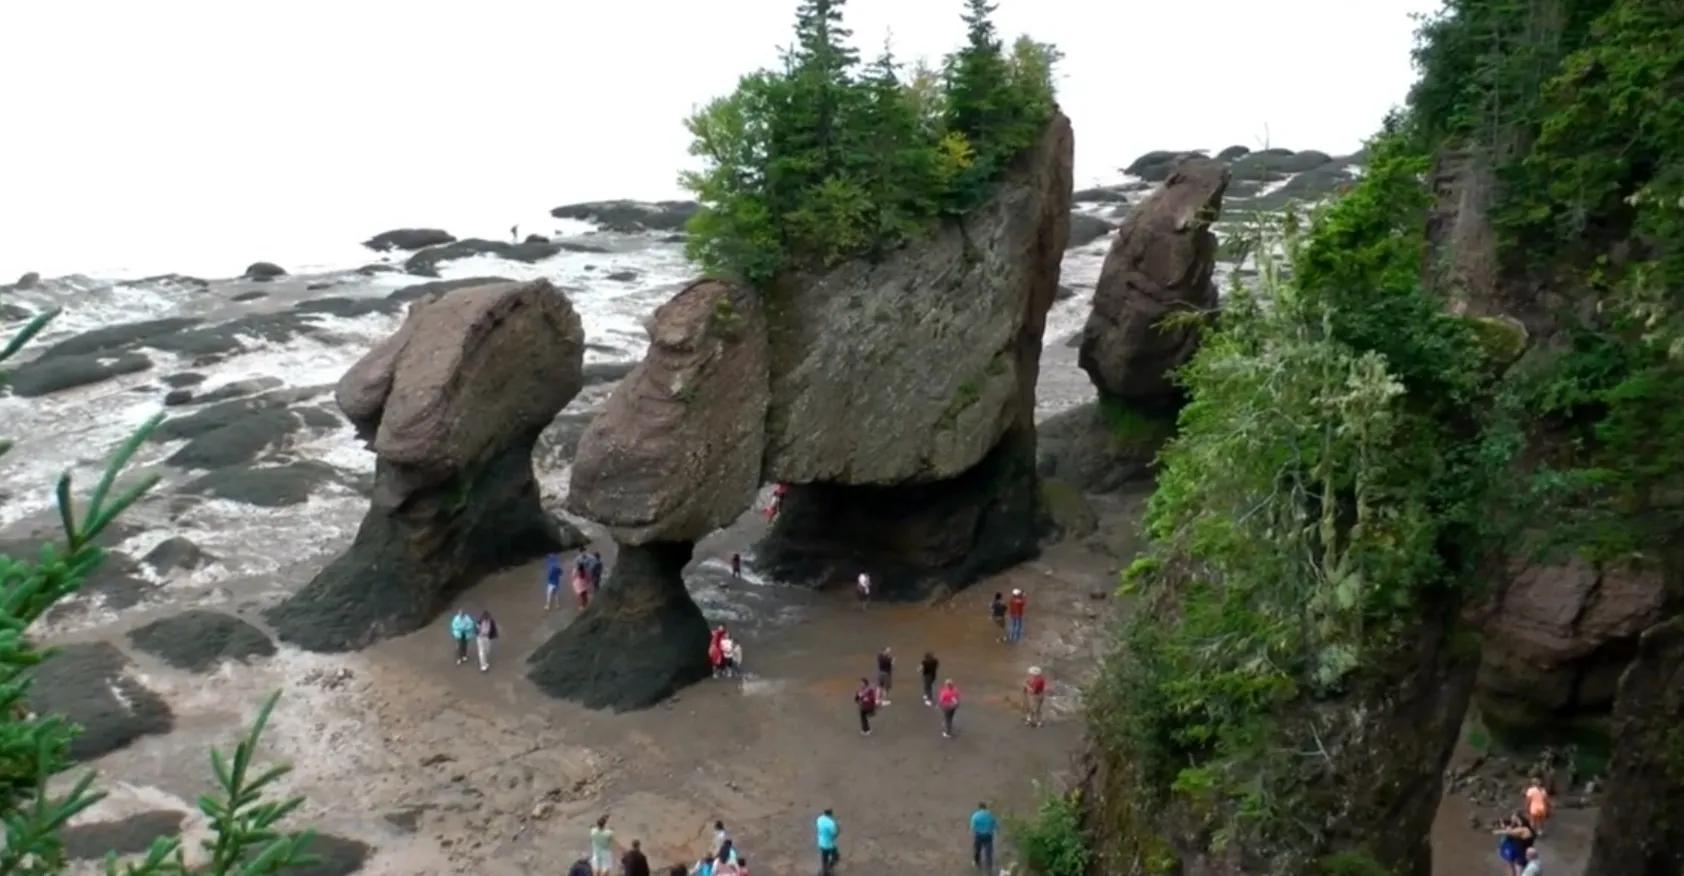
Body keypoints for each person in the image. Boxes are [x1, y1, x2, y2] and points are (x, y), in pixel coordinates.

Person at [970, 802, 997, 872]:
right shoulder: (990, 815)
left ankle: (977, 863)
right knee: (988, 853)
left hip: (979, 835)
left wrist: (973, 833)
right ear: (985, 807)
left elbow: (973, 827)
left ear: (979, 808)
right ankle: (989, 867)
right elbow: (995, 825)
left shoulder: (975, 815)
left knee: (977, 850)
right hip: (988, 836)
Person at [815, 808, 840, 875]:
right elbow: (834, 834)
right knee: (836, 857)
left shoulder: (819, 819)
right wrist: (838, 829)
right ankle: (828, 868)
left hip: (821, 842)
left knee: (824, 857)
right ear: (830, 813)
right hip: (829, 844)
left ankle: (824, 870)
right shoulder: (830, 823)